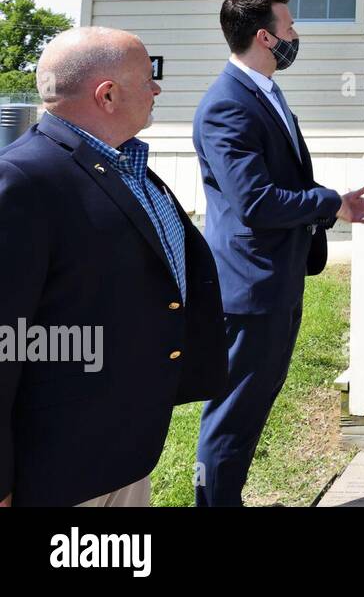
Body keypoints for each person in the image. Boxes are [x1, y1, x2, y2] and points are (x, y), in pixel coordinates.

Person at [0, 27, 226, 507]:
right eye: (149, 78)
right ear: (107, 95)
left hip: (122, 454)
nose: (157, 89)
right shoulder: (23, 178)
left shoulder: (127, 166)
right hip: (55, 470)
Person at [193, 0, 364, 506]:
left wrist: (335, 204)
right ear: (264, 36)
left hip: (280, 275)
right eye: (290, 27)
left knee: (251, 409)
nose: (296, 35)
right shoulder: (227, 105)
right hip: (251, 286)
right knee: (232, 414)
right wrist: (330, 203)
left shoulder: (264, 91)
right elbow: (255, 201)